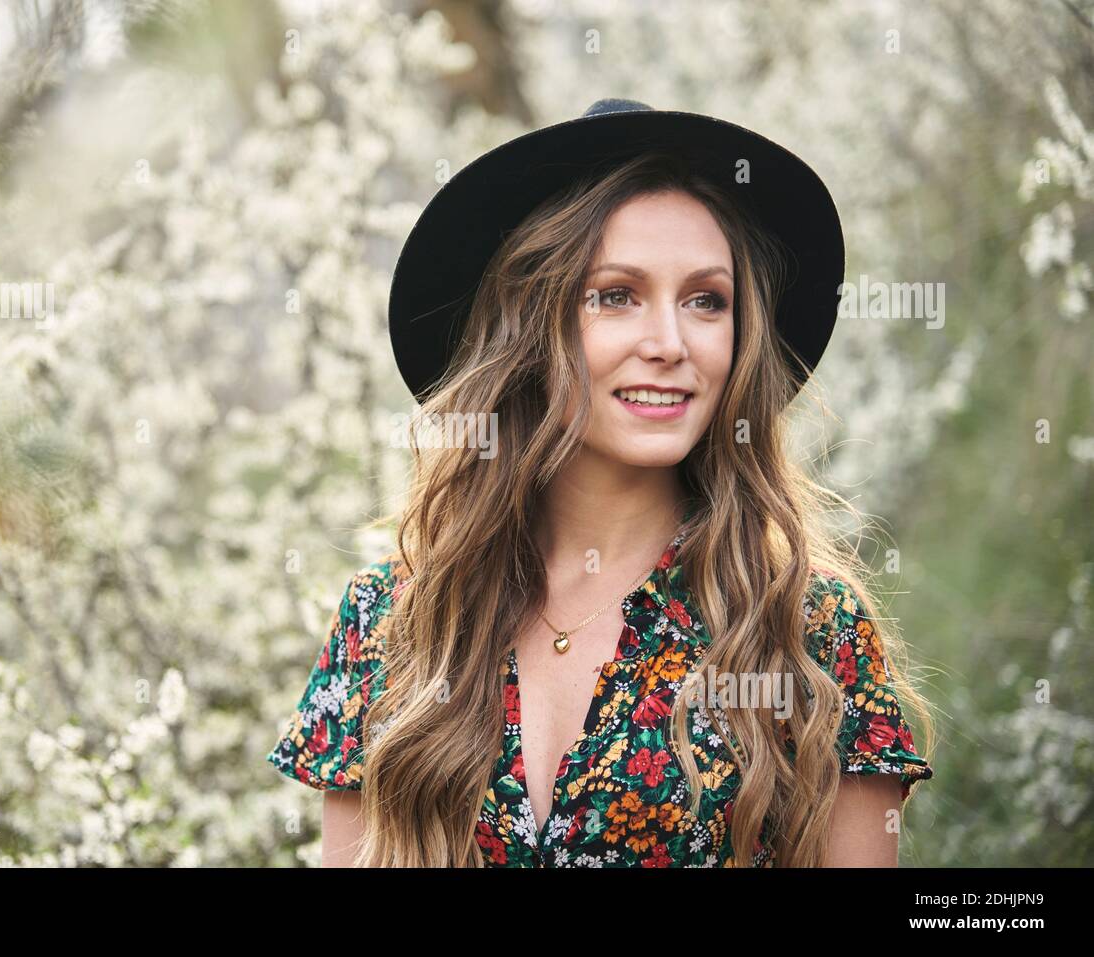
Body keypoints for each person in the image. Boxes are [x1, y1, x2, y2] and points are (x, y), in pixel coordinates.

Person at [265, 99, 935, 867]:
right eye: (616, 294)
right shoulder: (390, 625)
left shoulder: (806, 630)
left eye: (706, 301)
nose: (669, 343)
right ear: (530, 328)